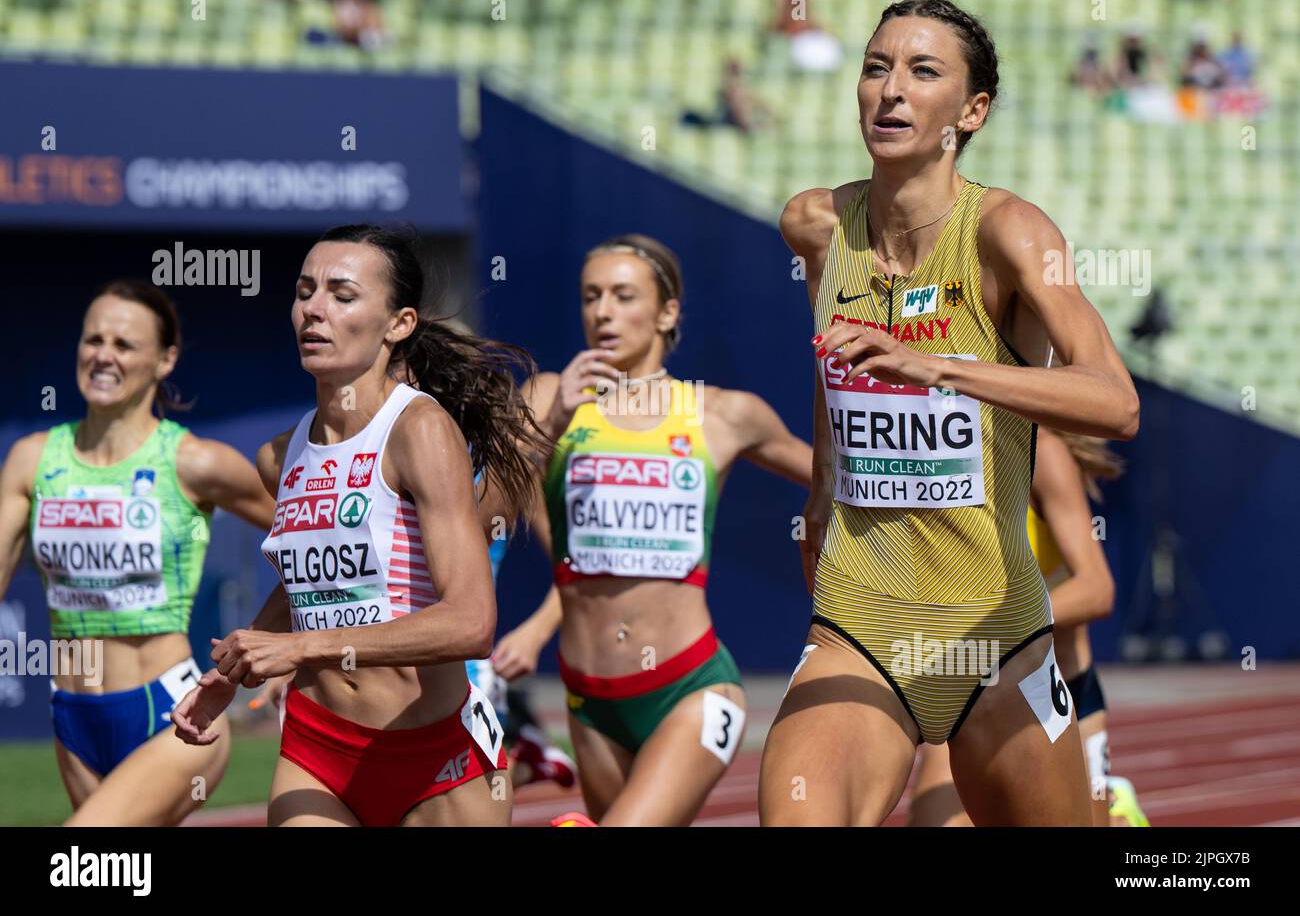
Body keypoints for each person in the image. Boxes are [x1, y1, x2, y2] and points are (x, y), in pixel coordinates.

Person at [758, 0, 1139, 826]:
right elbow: (834, 378)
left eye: (922, 72)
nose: (890, 90)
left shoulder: (1009, 231)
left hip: (996, 635)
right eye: (875, 66)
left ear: (971, 112)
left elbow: (1115, 400)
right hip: (859, 626)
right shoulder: (818, 226)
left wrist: (941, 368)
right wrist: (822, 493)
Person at [173, 225, 547, 826]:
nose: (314, 310)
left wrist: (300, 648)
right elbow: (312, 589)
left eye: (342, 295)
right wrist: (230, 675)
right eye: (305, 291)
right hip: (318, 753)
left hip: (434, 758)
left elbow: (472, 622)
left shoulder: (419, 431)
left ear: (398, 324)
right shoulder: (279, 456)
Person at [509, 233, 813, 825]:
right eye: (591, 296)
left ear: (667, 312)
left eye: (624, 296)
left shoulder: (722, 413)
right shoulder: (548, 396)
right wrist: (552, 420)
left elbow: (840, 478)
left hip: (690, 686)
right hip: (589, 697)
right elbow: (486, 504)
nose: (603, 312)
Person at [0, 279, 275, 824]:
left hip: (171, 713)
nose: (104, 355)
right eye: (93, 339)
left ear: (165, 359)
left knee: (81, 859)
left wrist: (288, 646)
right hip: (73, 714)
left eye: (124, 344)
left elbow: (309, 534)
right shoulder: (33, 459)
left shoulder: (195, 461)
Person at [909, 425, 1150, 827]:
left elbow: (1097, 589)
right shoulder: (940, 445)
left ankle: (1116, 810)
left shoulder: (1044, 450)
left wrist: (1007, 625)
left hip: (1055, 693)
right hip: (975, 682)